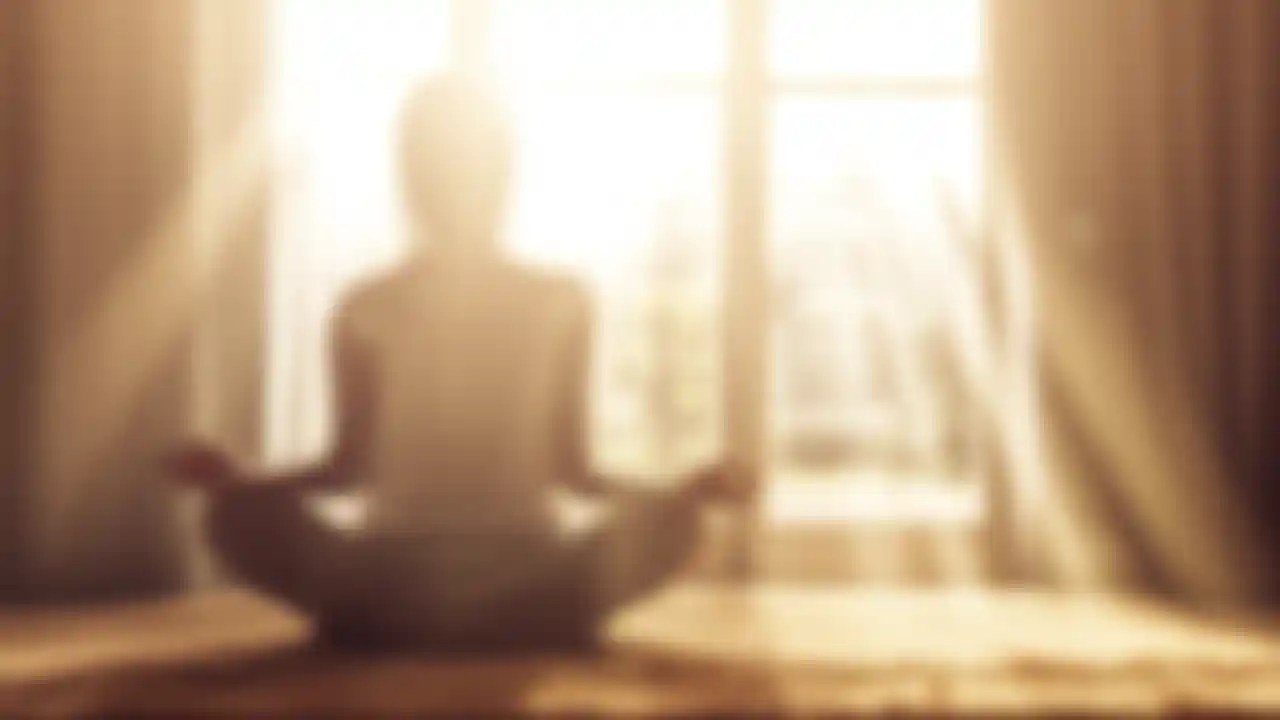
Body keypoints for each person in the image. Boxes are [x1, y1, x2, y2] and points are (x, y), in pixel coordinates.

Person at [169, 76, 743, 650]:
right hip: (448, 571)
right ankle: (505, 622)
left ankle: (404, 624)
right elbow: (569, 471)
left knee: (678, 521)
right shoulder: (380, 302)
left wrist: (679, 498)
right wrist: (238, 486)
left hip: (451, 572)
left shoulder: (545, 299)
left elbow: (352, 468)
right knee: (232, 514)